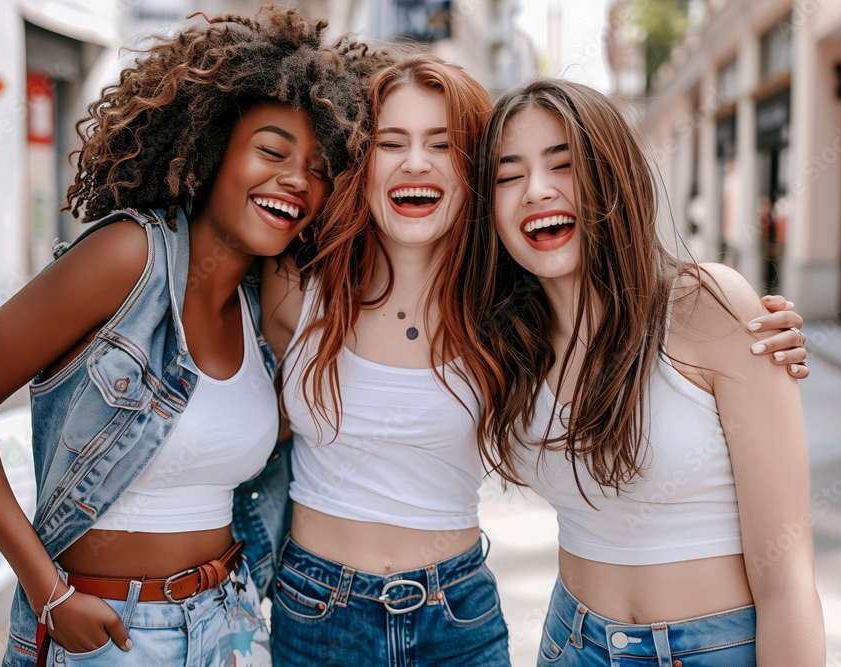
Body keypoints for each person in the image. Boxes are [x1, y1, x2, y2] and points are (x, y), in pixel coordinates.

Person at [261, 55, 808, 666]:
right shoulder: (308, 284)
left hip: (471, 614)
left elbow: (788, 575)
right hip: (540, 636)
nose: (537, 190)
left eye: (441, 145)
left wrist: (757, 337)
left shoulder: (519, 318)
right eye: (392, 143)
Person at [0, 7, 386, 666]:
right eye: (271, 151)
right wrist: (47, 591)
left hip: (231, 622)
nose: (296, 181)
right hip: (115, 633)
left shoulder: (262, 304)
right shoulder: (129, 257)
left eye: (318, 168)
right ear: (212, 148)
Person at [475, 79, 824, 666]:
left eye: (564, 165)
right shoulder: (509, 339)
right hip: (571, 643)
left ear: (615, 178)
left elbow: (787, 579)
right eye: (508, 176)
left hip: (710, 649)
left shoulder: (706, 305)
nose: (535, 190)